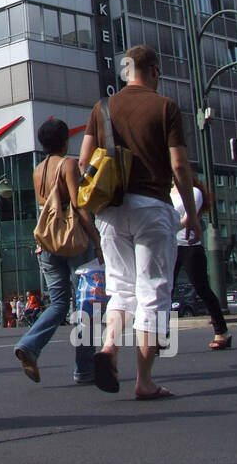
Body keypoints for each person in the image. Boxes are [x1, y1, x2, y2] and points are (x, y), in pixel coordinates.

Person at [77, 45, 199, 398]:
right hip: (153, 207)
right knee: (154, 289)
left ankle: (108, 348)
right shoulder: (166, 107)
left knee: (121, 289)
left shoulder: (101, 108)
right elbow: (179, 166)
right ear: (155, 70)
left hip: (111, 210)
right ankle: (144, 381)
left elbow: (84, 162)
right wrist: (190, 213)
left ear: (125, 70)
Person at [14, 118, 103, 383]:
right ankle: (84, 368)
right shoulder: (69, 165)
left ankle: (30, 344)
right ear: (65, 140)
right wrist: (96, 239)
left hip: (47, 242)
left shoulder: (38, 169)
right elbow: (77, 206)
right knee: (87, 302)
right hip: (73, 240)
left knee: (59, 303)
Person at [170, 177, 231, 349]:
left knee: (202, 288)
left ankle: (222, 332)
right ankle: (161, 337)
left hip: (190, 246)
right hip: (169, 246)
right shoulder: (165, 193)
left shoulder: (193, 192)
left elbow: (189, 217)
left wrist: (168, 228)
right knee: (165, 291)